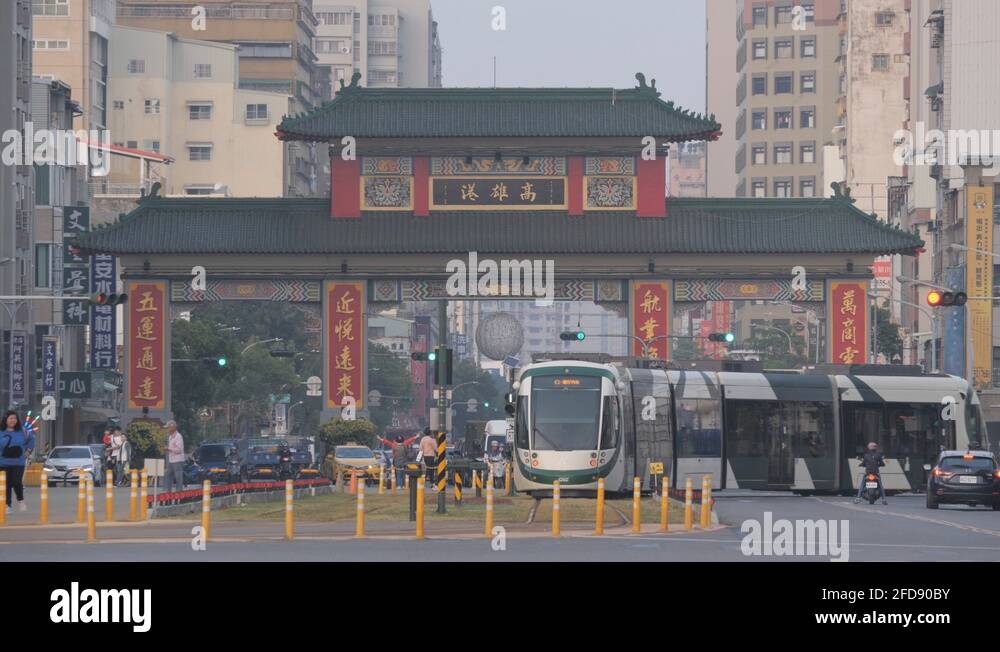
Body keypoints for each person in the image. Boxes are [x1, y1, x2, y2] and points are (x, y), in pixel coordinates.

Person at [1, 410, 34, 513]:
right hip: (2, 462)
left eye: (15, 418)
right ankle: (8, 505)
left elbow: (31, 440)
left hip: (18, 462)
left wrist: (28, 451)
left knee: (16, 481)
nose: (13, 420)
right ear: (6, 419)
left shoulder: (23, 431)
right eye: (11, 418)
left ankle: (20, 500)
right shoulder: (1, 432)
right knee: (6, 484)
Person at [164, 420, 185, 494]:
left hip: (178, 460)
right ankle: (168, 492)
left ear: (173, 427)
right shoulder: (170, 437)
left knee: (178, 477)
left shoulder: (178, 436)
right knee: (167, 475)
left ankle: (179, 493)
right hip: (171, 460)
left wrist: (169, 449)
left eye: (168, 428)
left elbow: (179, 450)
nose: (167, 429)